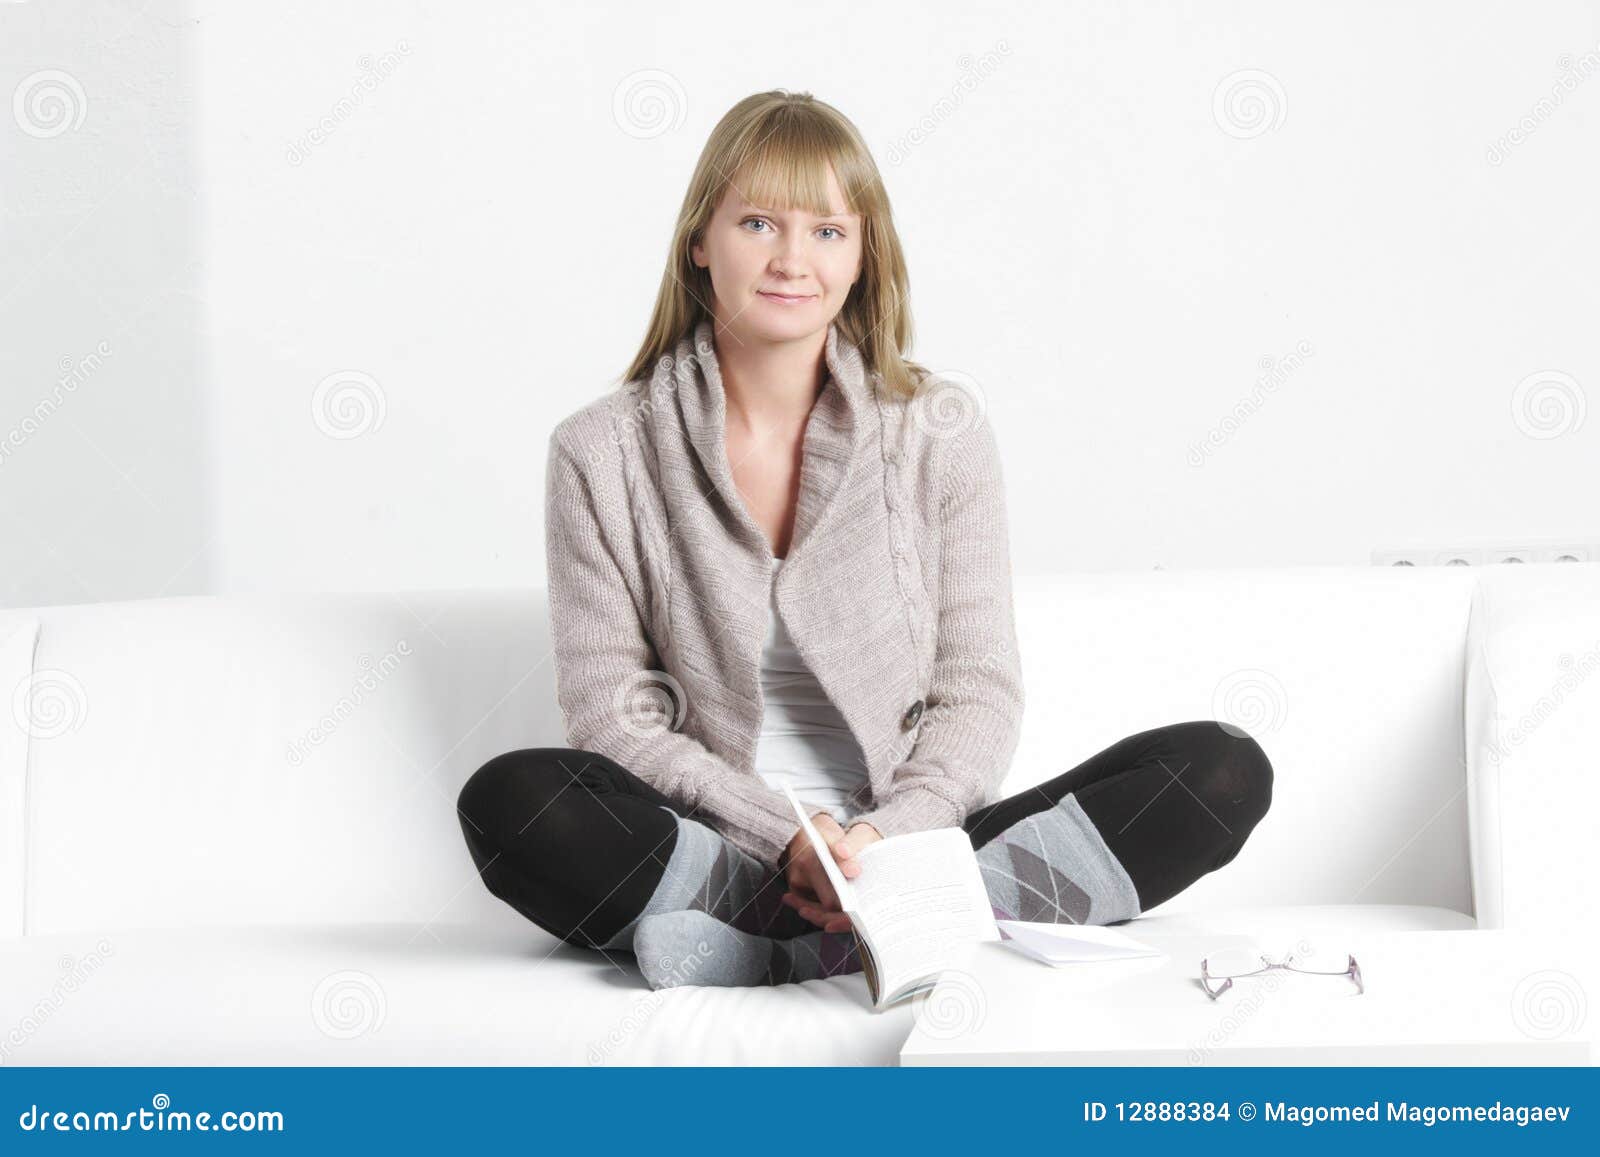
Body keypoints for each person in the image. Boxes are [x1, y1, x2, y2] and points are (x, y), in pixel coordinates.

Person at [457, 89, 1272, 989]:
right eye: (758, 222)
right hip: (726, 842)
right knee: (515, 802)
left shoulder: (940, 432)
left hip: (919, 837)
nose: (791, 259)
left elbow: (978, 695)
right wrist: (794, 839)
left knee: (1220, 770)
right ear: (700, 241)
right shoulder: (599, 450)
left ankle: (794, 946)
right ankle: (868, 931)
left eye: (828, 232)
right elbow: (615, 714)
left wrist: (883, 840)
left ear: (862, 256)